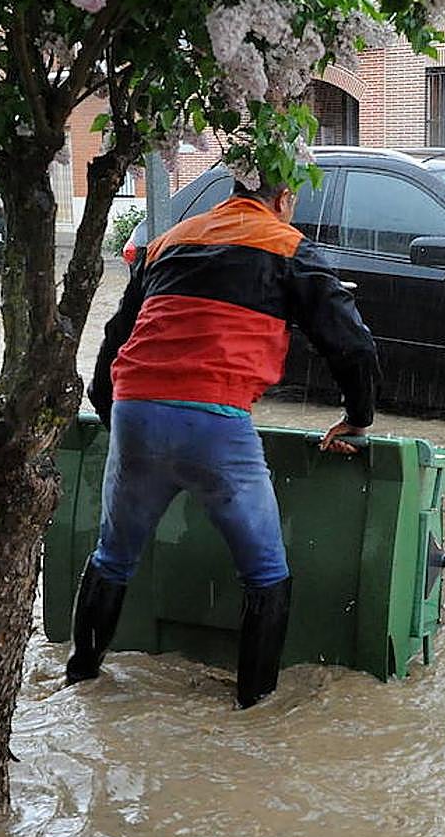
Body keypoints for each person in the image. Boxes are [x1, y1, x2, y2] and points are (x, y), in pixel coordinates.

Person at [71, 171, 380, 708]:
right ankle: (254, 709)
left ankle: (79, 679)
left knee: (112, 557)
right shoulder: (288, 246)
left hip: (136, 409)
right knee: (266, 571)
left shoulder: (172, 240)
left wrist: (111, 412)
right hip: (215, 421)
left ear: (231, 194)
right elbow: (350, 343)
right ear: (282, 199)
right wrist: (358, 418)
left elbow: (117, 333)